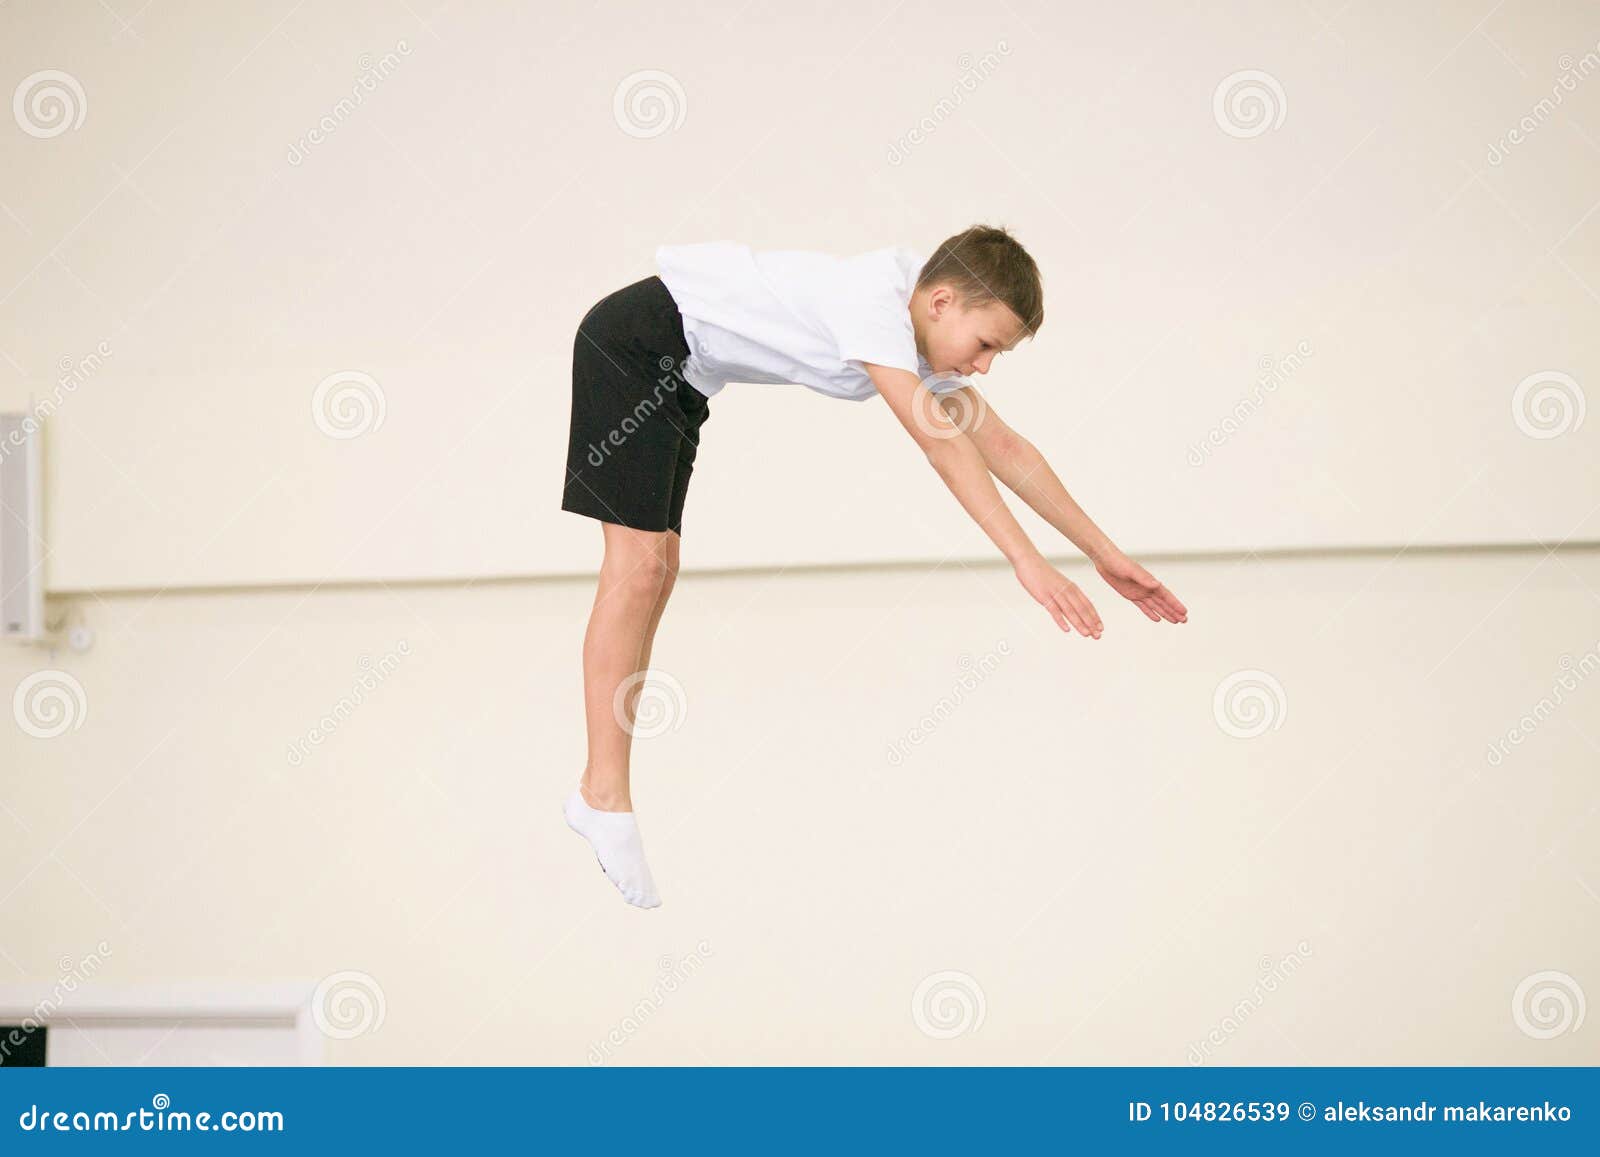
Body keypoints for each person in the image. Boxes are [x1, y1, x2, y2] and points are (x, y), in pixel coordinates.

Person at [560, 224, 1188, 908]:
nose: (982, 367)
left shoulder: (917, 334)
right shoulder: (873, 304)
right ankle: (603, 793)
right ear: (942, 301)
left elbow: (1005, 447)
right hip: (635, 343)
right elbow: (941, 443)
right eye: (986, 347)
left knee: (658, 566)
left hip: (682, 375)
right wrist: (1027, 563)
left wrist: (1106, 556)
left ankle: (605, 790)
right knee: (637, 568)